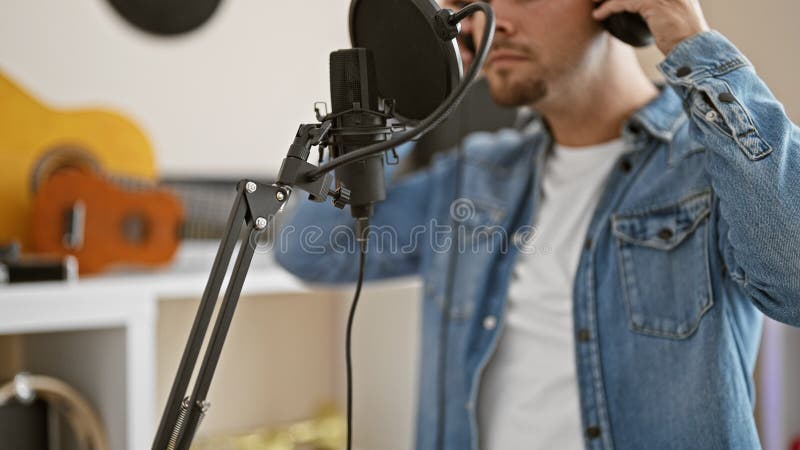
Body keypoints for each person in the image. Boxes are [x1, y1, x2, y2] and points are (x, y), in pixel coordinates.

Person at [276, 0, 800, 449]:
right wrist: (415, 93)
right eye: (473, 2)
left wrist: (692, 42)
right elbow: (310, 248)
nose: (490, 22)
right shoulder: (473, 176)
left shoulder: (712, 166)